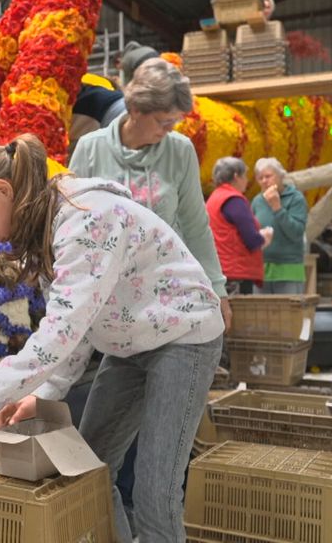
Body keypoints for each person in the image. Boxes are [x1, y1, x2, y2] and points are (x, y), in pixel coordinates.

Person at [0, 134, 224, 543]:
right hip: (130, 346)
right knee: (92, 471)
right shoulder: (45, 229)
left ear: (2, 190)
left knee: (155, 492)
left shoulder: (86, 219)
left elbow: (61, 331)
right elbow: (75, 331)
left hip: (185, 337)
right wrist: (47, 393)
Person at [68, 56, 229, 534]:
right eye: (163, 121)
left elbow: (196, 226)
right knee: (91, 467)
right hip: (124, 330)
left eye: (174, 122)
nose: (168, 129)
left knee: (157, 486)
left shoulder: (178, 151)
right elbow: (76, 231)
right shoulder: (91, 150)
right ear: (135, 110)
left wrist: (217, 289)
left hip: (176, 319)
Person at [206, 157, 273, 295]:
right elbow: (251, 239)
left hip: (219, 269)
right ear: (236, 176)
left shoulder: (214, 198)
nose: (247, 181)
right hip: (236, 273)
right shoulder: (234, 200)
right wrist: (264, 236)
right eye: (245, 176)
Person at [251, 157, 308, 294]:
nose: (264, 181)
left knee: (288, 314)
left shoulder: (296, 198)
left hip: (289, 269)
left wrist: (277, 208)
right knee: (260, 315)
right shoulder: (257, 201)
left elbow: (296, 232)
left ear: (280, 176)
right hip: (262, 270)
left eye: (268, 176)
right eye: (260, 178)